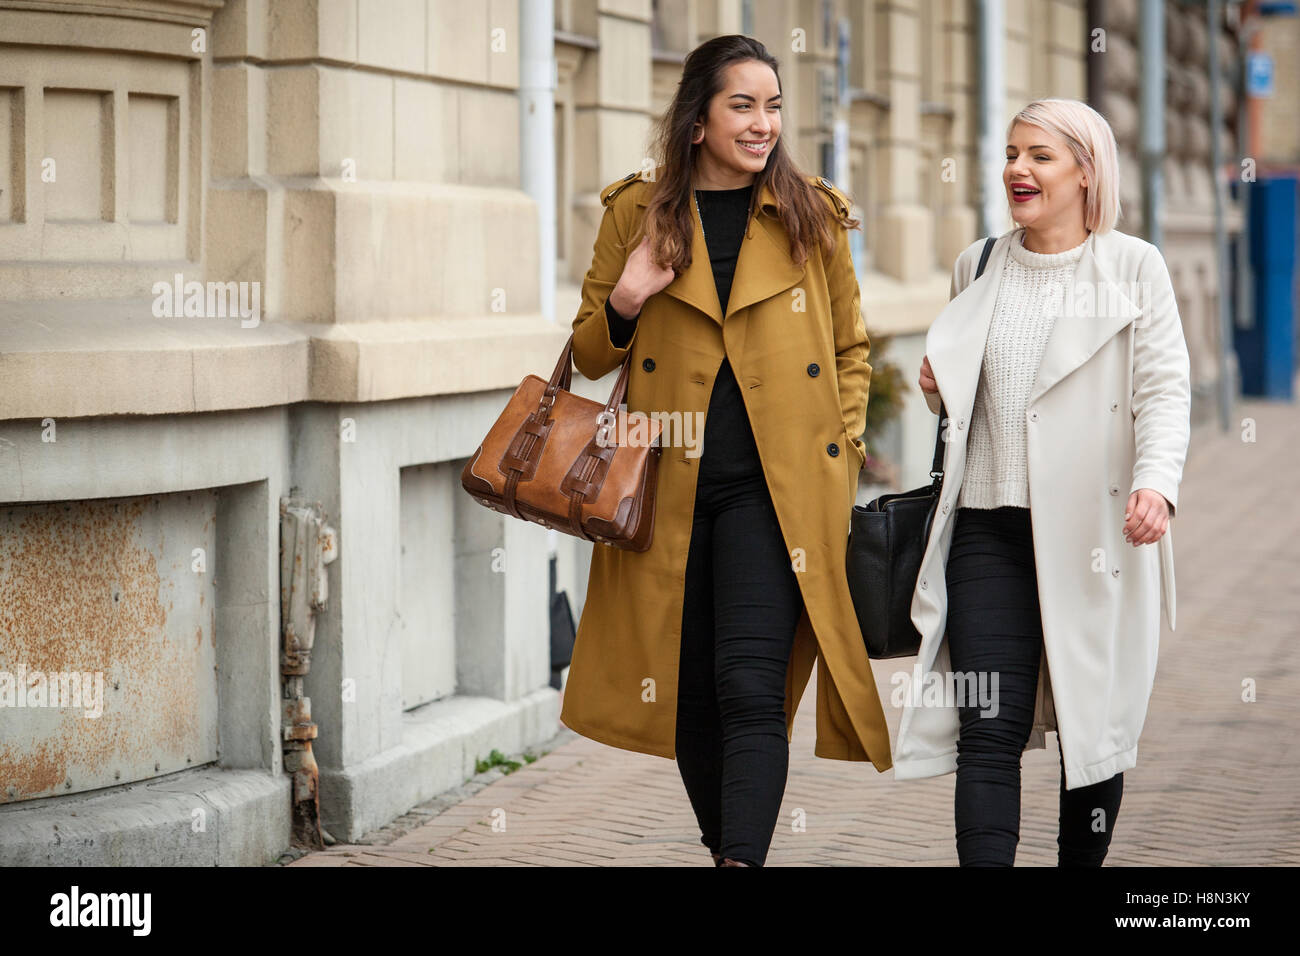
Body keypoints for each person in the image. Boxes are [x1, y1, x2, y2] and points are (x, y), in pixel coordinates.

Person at [561, 34, 893, 867]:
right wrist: (630, 297)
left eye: (773, 106)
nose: (763, 124)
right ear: (698, 119)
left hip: (774, 492)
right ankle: (727, 849)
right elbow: (592, 353)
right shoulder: (635, 212)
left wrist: (842, 450)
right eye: (742, 105)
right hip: (660, 481)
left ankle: (741, 858)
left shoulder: (812, 212)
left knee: (752, 688)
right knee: (684, 697)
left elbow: (852, 348)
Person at [898, 98, 1192, 865]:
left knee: (1091, 732)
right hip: (987, 526)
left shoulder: (1133, 267)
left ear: (1086, 172)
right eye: (1012, 154)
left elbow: (1164, 389)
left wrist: (1156, 484)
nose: (1017, 171)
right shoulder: (980, 262)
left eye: (1040, 156)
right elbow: (976, 400)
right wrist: (940, 385)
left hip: (1095, 535)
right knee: (985, 725)